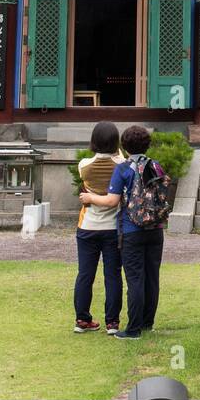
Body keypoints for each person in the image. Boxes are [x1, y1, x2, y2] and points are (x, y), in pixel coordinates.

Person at [80, 125, 168, 340]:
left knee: (135, 279)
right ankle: (148, 322)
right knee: (151, 277)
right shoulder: (156, 166)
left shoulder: (123, 169)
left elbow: (112, 201)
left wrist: (90, 198)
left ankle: (133, 328)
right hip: (155, 229)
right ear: (148, 145)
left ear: (124, 146)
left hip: (132, 229)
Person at [71, 121, 126, 334]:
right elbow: (120, 157)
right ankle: (112, 322)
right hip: (113, 227)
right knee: (113, 274)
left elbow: (86, 188)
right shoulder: (122, 164)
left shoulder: (84, 165)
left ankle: (82, 320)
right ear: (116, 142)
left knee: (85, 274)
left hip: (87, 226)